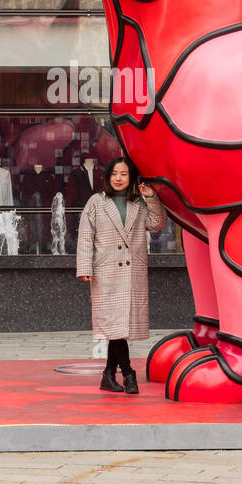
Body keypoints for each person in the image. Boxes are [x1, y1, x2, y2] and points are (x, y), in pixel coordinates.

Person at [76, 157, 167, 394]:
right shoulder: (96, 202)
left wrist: (150, 196)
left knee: (119, 327)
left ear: (131, 178)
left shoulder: (138, 202)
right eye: (115, 173)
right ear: (108, 177)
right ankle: (128, 374)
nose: (118, 178)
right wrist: (85, 267)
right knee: (115, 327)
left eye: (124, 174)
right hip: (106, 272)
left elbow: (158, 223)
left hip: (131, 271)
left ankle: (109, 374)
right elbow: (86, 235)